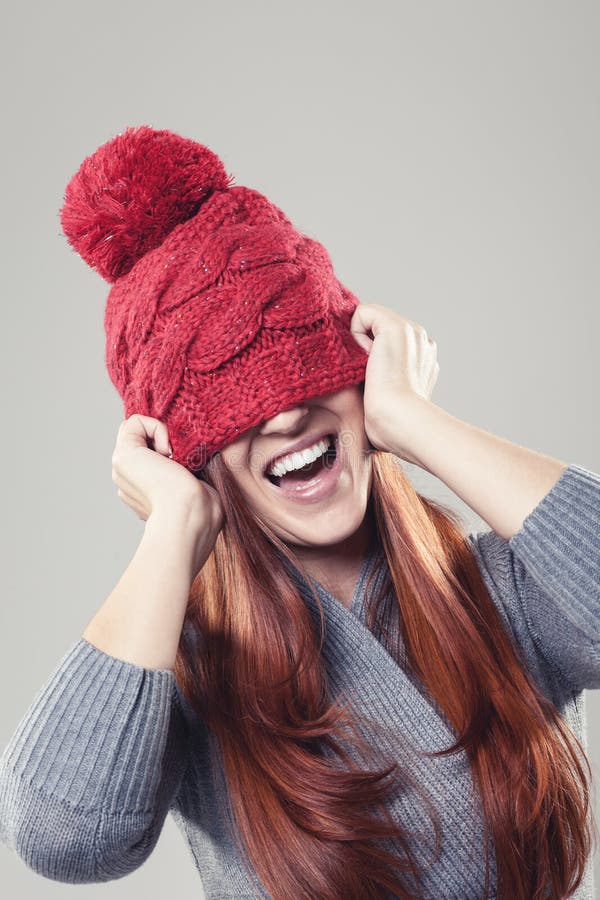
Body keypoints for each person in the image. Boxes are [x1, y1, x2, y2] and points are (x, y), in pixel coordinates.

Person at [0, 126, 598, 900]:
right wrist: (172, 530)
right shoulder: (189, 672)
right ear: (191, 458)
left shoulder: (502, 592)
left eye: (303, 374)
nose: (282, 420)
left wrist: (418, 423)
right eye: (234, 411)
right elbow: (63, 839)